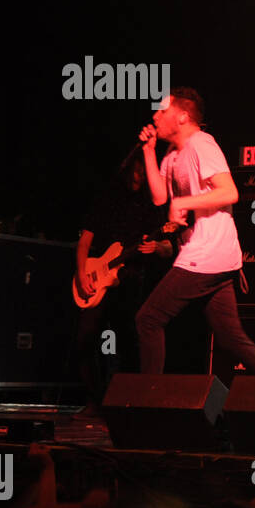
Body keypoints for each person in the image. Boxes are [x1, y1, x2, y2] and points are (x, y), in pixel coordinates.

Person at [135, 87, 255, 376]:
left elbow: (230, 192)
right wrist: (149, 152)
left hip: (208, 253)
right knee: (231, 337)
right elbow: (159, 197)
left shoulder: (202, 143)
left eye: (162, 110)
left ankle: (147, 403)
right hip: (214, 255)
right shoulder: (172, 154)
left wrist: (185, 202)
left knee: (148, 319)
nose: (155, 115)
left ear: (183, 116)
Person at [74, 153, 169, 406]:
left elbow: (168, 247)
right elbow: (84, 241)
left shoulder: (152, 203)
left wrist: (157, 247)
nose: (139, 177)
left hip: (130, 280)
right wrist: (82, 273)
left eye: (143, 173)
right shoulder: (107, 198)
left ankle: (127, 403)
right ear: (127, 169)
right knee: (84, 340)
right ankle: (95, 402)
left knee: (129, 343)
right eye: (136, 172)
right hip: (96, 277)